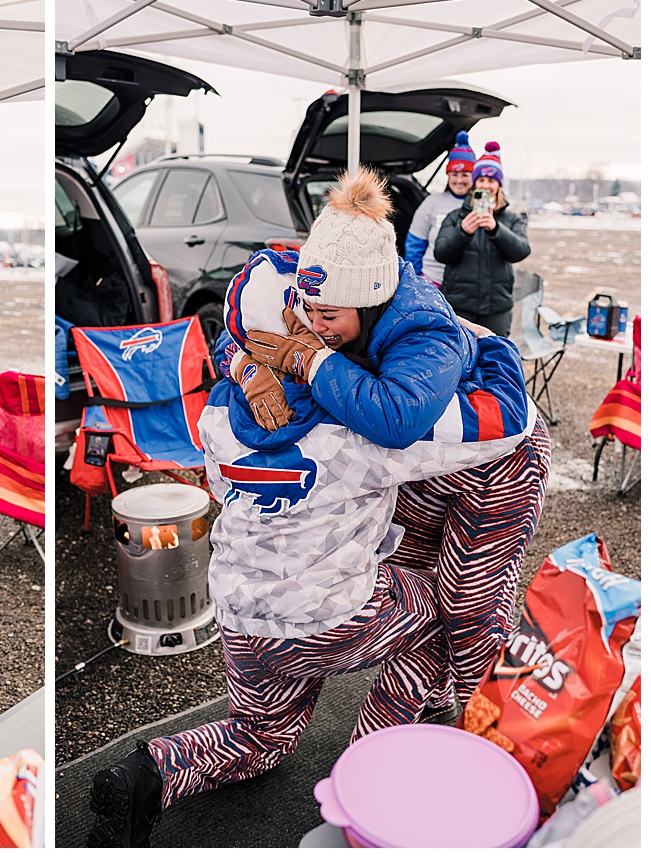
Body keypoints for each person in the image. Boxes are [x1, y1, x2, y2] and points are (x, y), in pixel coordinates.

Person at [86, 247, 537, 847]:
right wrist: (485, 343)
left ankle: (146, 774)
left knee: (258, 738)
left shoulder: (220, 416)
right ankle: (370, 779)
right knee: (440, 623)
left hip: (242, 614)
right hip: (327, 615)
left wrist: (246, 366)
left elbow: (227, 437)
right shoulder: (361, 434)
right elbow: (503, 423)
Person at [237, 168, 550, 720]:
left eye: (328, 316)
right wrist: (245, 366)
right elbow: (242, 323)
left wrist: (312, 360)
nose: (314, 322)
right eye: (308, 310)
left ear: (371, 300)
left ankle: (502, 732)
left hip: (497, 459)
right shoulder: (314, 281)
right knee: (413, 573)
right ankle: (426, 711)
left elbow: (396, 416)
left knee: (467, 605)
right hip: (422, 465)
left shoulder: (424, 327)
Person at [433, 140, 531, 337]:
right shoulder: (456, 217)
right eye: (481, 180)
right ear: (474, 184)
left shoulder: (512, 218)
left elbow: (521, 251)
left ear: (499, 185)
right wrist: (463, 233)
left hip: (497, 307)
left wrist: (496, 229)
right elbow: (441, 253)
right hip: (460, 305)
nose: (486, 186)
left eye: (491, 181)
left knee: (495, 359)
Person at [403, 129, 477, 286]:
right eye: (454, 174)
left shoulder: (480, 206)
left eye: (465, 174)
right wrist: (416, 280)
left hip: (467, 287)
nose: (459, 180)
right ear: (448, 175)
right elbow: (415, 243)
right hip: (432, 281)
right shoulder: (432, 203)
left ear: (474, 176)